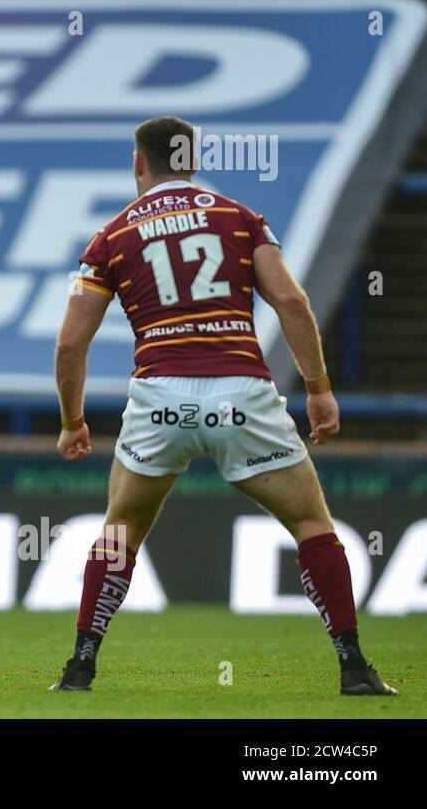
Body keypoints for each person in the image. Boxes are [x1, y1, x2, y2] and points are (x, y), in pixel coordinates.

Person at [49, 116, 396, 696]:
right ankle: (353, 666)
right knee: (312, 524)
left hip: (160, 400)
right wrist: (318, 388)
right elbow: (289, 298)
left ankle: (80, 667)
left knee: (120, 531)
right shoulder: (240, 218)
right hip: (242, 393)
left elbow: (69, 343)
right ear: (192, 158)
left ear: (140, 163)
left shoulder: (110, 239)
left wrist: (71, 422)